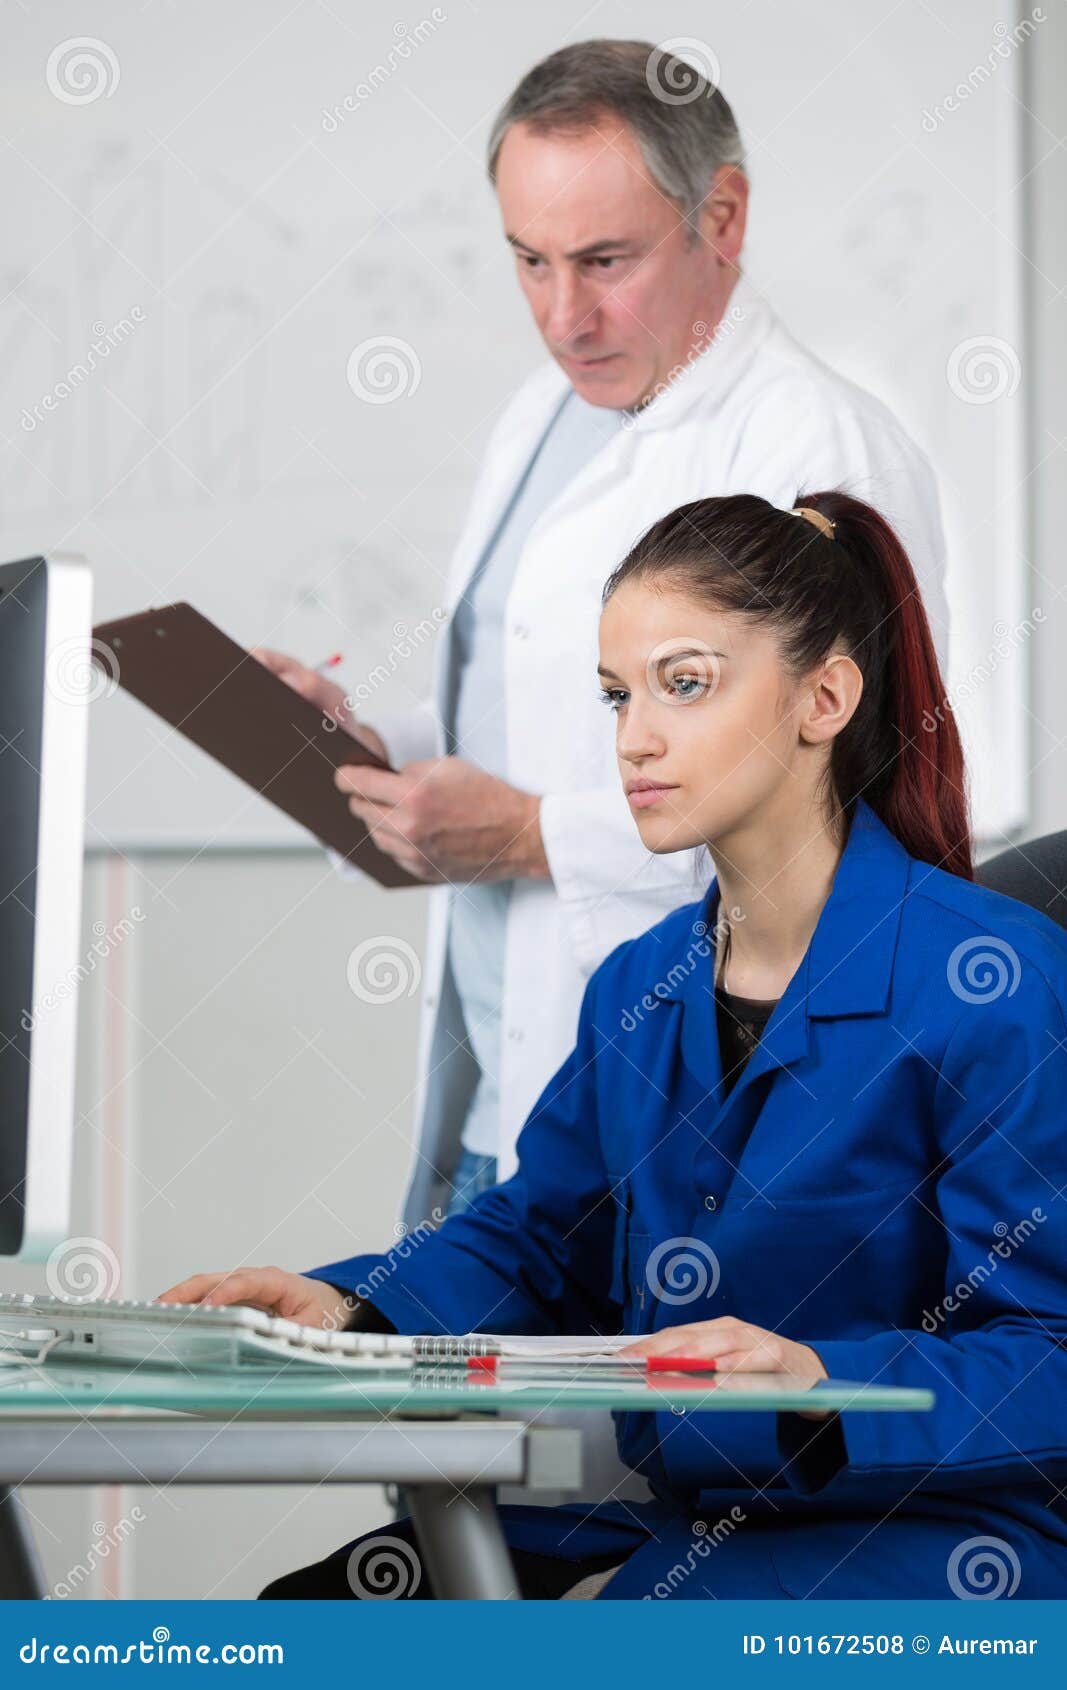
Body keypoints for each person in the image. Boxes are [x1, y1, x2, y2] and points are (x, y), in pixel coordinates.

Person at [162, 492, 1067, 1600]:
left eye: (683, 684)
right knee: (306, 1624)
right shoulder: (642, 981)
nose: (634, 737)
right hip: (684, 1509)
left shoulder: (990, 979)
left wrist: (825, 1382)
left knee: (621, 1639)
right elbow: (545, 1241)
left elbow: (1049, 1347)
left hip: (932, 1529)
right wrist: (350, 1305)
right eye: (615, 695)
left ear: (824, 696)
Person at [254, 39, 950, 1235]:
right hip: (501, 1114)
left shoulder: (815, 446)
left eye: (604, 261)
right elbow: (540, 712)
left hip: (691, 1127)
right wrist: (370, 749)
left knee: (650, 1427)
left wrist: (528, 834)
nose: (561, 316)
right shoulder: (545, 415)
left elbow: (842, 810)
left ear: (720, 216)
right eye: (527, 261)